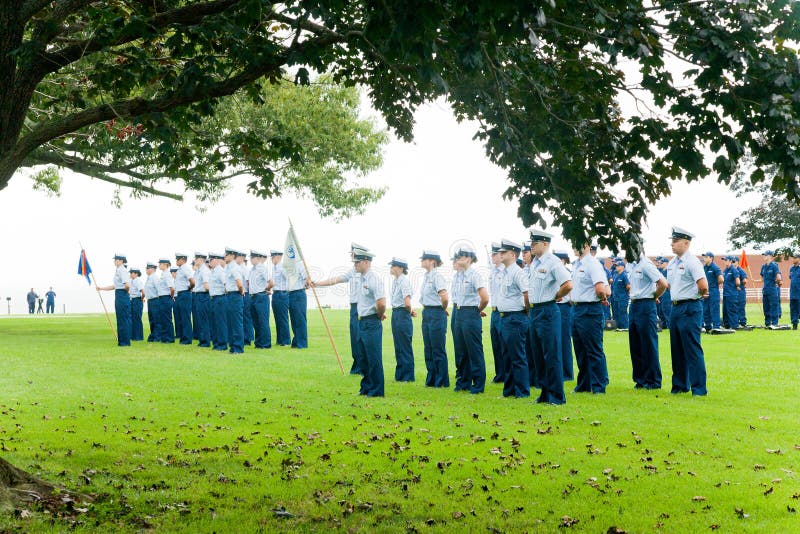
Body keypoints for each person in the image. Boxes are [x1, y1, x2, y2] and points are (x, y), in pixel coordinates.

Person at [528, 230, 572, 404]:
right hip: (535, 311)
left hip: (547, 310)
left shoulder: (553, 262)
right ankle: (545, 393)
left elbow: (568, 284)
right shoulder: (534, 263)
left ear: (545, 244)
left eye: (535, 243)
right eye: (531, 243)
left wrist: (556, 296)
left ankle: (556, 396)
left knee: (551, 354)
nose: (532, 246)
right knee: (538, 354)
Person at [666, 226, 709, 396]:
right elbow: (671, 285)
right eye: (672, 241)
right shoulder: (672, 263)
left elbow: (703, 286)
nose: (672, 244)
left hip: (690, 306)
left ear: (686, 243)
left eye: (676, 241)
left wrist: (693, 296)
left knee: (691, 348)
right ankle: (679, 386)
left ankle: (699, 389)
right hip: (676, 307)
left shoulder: (692, 262)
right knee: (676, 349)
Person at [315, 244, 367, 374]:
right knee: (354, 338)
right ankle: (357, 367)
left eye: (353, 254)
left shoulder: (367, 273)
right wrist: (317, 284)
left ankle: (363, 368)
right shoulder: (353, 271)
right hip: (354, 307)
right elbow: (337, 279)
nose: (351, 257)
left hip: (362, 308)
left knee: (361, 338)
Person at [571, 243, 611, 393]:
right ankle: (584, 384)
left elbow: (602, 288)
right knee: (580, 349)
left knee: (593, 349)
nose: (574, 246)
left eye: (577, 242)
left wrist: (602, 297)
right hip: (577, 308)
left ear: (586, 245)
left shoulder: (592, 264)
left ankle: (599, 385)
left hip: (589, 309)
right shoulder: (577, 264)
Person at [627, 248, 668, 389]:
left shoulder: (646, 264)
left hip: (645, 305)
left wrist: (653, 296)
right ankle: (641, 379)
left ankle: (653, 380)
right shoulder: (631, 265)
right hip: (634, 305)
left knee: (648, 344)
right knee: (635, 344)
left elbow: (663, 283)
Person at [495, 239, 530, 398]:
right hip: (504, 318)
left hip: (515, 317)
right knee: (507, 356)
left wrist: (526, 313)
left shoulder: (518, 272)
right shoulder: (504, 272)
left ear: (513, 255)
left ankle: (522, 392)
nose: (500, 254)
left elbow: (526, 294)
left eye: (504, 252)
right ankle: (509, 391)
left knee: (517, 356)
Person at [452, 246, 489, 394]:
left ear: (468, 259)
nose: (457, 259)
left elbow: (485, 298)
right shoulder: (458, 276)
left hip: (470, 313)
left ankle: (478, 385)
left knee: (474, 350)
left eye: (461, 256)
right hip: (459, 312)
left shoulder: (475, 275)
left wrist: (476, 311)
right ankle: (463, 382)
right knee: (461, 350)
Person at [353, 248, 387, 396]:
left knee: (373, 357)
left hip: (371, 322)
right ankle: (366, 387)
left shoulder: (374, 279)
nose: (355, 264)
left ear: (366, 262)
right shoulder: (361, 279)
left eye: (358, 262)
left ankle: (376, 390)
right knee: (363, 357)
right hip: (361, 322)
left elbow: (381, 303)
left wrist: (379, 315)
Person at [419, 250, 449, 388]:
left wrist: (442, 309)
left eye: (424, 259)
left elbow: (444, 297)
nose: (422, 261)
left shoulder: (437, 276)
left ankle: (441, 381)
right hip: (427, 312)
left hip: (436, 313)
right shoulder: (427, 276)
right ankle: (431, 379)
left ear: (432, 261)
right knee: (428, 348)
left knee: (437, 348)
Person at [96, 253, 132, 346]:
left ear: (121, 261)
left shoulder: (122, 270)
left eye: (116, 260)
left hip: (122, 294)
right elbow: (115, 286)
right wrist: (101, 288)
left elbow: (127, 285)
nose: (114, 261)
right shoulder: (118, 270)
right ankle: (122, 341)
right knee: (120, 318)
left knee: (123, 318)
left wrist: (126, 292)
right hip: (119, 294)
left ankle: (125, 342)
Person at [389, 257, 415, 382]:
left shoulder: (404, 281)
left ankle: (408, 376)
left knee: (404, 346)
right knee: (398, 346)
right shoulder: (396, 281)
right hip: (396, 313)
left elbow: (407, 302)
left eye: (393, 266)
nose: (391, 268)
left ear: (401, 268)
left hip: (402, 314)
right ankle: (400, 375)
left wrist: (409, 311)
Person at [554, 250, 574, 381]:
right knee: (556, 340)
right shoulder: (556, 271)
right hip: (556, 306)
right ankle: (560, 371)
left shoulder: (566, 272)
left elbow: (570, 289)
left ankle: (567, 373)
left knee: (564, 340)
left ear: (563, 260)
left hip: (564, 307)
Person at [248, 250, 273, 349]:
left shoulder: (262, 268)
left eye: (252, 258)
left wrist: (266, 289)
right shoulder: (252, 269)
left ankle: (266, 344)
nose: (250, 260)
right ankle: (258, 343)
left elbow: (271, 282)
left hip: (261, 296)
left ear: (257, 258)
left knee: (263, 321)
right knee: (256, 321)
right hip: (253, 297)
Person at [488, 242, 505, 383]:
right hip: (494, 312)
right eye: (492, 254)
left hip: (503, 312)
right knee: (496, 345)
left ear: (501, 255)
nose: (492, 257)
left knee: (505, 344)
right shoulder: (493, 271)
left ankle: (507, 374)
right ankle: (500, 374)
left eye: (495, 254)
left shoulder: (505, 271)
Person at [224, 247, 245, 354]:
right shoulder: (228, 267)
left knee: (236, 323)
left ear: (232, 256)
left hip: (235, 296)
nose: (225, 256)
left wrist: (240, 293)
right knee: (230, 323)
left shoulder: (235, 267)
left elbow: (239, 284)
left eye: (227, 255)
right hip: (229, 296)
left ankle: (238, 348)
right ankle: (232, 347)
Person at [174, 253, 195, 345]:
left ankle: (187, 339)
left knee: (185, 317)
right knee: (181, 317)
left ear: (183, 260)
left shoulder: (185, 268)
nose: (176, 261)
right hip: (180, 294)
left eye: (178, 259)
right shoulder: (180, 269)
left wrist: (189, 289)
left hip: (185, 293)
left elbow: (192, 281)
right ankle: (183, 337)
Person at [208, 252, 228, 351]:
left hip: (220, 298)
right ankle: (216, 343)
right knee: (214, 322)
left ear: (216, 260)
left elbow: (226, 284)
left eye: (211, 260)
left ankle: (222, 344)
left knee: (220, 322)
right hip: (213, 298)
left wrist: (224, 296)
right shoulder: (213, 271)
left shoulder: (220, 271)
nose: (210, 262)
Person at [270, 250, 291, 346]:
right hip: (275, 293)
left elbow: (289, 279)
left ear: (278, 257)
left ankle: (285, 341)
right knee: (277, 318)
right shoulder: (274, 268)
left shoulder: (283, 267)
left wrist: (286, 291)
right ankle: (279, 340)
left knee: (282, 318)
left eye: (273, 257)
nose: (271, 259)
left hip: (282, 294)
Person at [192, 252, 212, 348]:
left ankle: (205, 341)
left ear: (201, 259)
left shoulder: (204, 271)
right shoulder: (198, 271)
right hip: (198, 295)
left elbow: (207, 286)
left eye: (196, 259)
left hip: (203, 296)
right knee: (199, 319)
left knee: (204, 319)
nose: (195, 260)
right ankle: (202, 340)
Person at [701, 252, 723, 332]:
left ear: (711, 258)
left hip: (713, 291)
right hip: (706, 291)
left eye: (706, 257)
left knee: (714, 309)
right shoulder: (704, 267)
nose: (704, 258)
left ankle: (716, 326)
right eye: (704, 257)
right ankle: (708, 327)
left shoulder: (715, 267)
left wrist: (714, 285)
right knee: (706, 309)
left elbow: (721, 279)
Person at [236, 251, 254, 346]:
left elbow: (248, 282)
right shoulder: (238, 268)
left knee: (246, 317)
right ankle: (244, 337)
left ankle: (247, 338)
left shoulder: (245, 269)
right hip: (241, 294)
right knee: (242, 317)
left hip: (245, 294)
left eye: (237, 257)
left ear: (242, 258)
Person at [760, 250, 782, 328]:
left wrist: (775, 282)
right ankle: (767, 323)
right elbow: (762, 278)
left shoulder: (774, 265)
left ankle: (774, 323)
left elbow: (779, 277)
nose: (764, 256)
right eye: (763, 255)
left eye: (765, 255)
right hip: (765, 289)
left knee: (773, 306)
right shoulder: (763, 266)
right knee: (766, 307)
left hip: (772, 289)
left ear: (770, 256)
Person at [156, 259, 175, 343]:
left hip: (166, 298)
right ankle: (164, 338)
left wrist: (170, 297)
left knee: (167, 319)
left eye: (160, 264)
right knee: (163, 318)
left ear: (165, 264)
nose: (159, 265)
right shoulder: (163, 274)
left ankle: (169, 338)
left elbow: (172, 288)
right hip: (162, 298)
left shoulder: (167, 274)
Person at [721, 256, 741, 330]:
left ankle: (734, 325)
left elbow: (738, 281)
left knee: (732, 310)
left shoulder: (734, 270)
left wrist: (735, 287)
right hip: (725, 294)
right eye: (724, 260)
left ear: (730, 261)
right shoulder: (725, 270)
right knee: (725, 310)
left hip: (732, 294)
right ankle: (727, 326)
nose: (724, 261)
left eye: (725, 260)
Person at [610, 259, 630, 331]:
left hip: (622, 298)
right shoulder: (616, 275)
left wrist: (625, 293)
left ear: (622, 267)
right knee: (616, 313)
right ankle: (618, 327)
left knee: (622, 312)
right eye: (616, 266)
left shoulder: (624, 275)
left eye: (618, 266)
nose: (616, 267)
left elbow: (628, 286)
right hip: (616, 297)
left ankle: (625, 327)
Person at [143, 263, 159, 342]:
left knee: (156, 319)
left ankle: (157, 337)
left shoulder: (154, 278)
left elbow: (159, 289)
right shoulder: (149, 278)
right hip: (150, 300)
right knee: (152, 319)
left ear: (152, 269)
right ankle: (153, 336)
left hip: (155, 300)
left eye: (147, 268)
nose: (146, 270)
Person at [128, 268, 145, 341]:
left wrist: (141, 299)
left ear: (136, 274)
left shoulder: (137, 281)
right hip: (132, 300)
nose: (130, 274)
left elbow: (143, 292)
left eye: (132, 273)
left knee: (137, 319)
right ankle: (133, 336)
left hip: (137, 300)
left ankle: (139, 337)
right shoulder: (131, 281)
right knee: (132, 319)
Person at [656, 257, 672, 329]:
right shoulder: (662, 271)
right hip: (662, 293)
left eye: (662, 263)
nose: (660, 264)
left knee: (667, 309)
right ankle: (664, 325)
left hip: (667, 293)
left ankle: (669, 325)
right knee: (661, 310)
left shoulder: (669, 272)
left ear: (667, 263)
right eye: (660, 263)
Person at [733, 256, 749, 327]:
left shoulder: (740, 270)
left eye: (734, 261)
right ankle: (736, 321)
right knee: (734, 307)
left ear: (737, 262)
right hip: (734, 292)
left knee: (741, 307)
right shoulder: (731, 270)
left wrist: (739, 285)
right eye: (732, 261)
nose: (733, 263)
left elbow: (745, 280)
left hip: (740, 291)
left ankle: (742, 322)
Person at [790, 251, 800, 330]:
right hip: (793, 293)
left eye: (795, 258)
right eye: (793, 258)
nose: (793, 259)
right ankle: (794, 325)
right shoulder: (791, 268)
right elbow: (791, 278)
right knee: (793, 309)